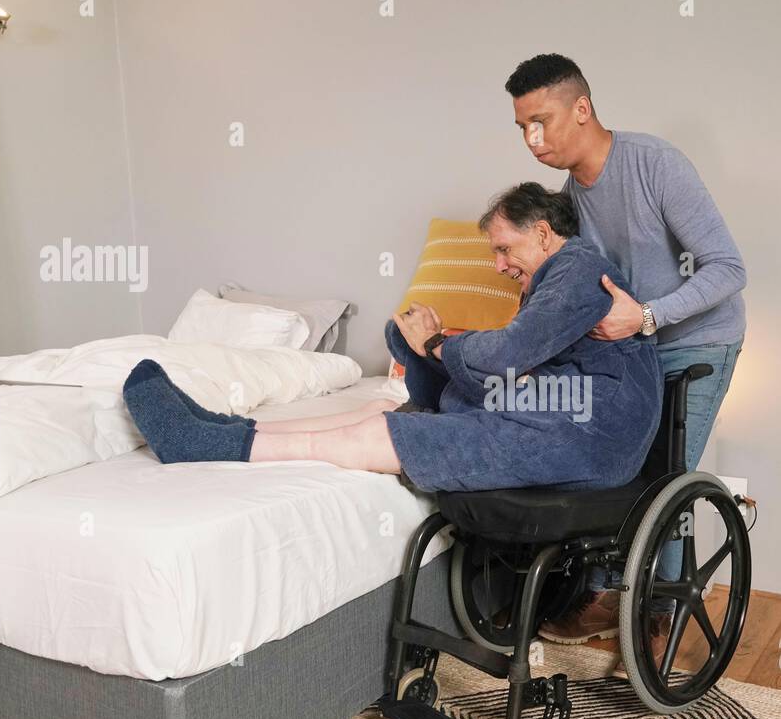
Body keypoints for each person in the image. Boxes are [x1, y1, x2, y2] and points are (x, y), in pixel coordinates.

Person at [120, 183, 663, 497]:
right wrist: (433, 343)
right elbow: (516, 354)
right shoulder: (559, 275)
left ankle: (204, 444)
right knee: (400, 412)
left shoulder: (574, 273)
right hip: (562, 416)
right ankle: (230, 428)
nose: (499, 266)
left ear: (542, 233)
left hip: (589, 434)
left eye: (503, 250)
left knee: (395, 432)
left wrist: (436, 346)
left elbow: (509, 355)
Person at [502, 53, 748, 647]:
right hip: (631, 349)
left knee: (665, 477)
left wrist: (648, 315)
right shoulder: (571, 197)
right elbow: (575, 282)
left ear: (582, 109)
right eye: (522, 128)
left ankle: (660, 611)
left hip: (696, 338)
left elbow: (728, 269)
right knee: (618, 468)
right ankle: (609, 594)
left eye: (542, 121)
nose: (532, 139)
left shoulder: (655, 165)